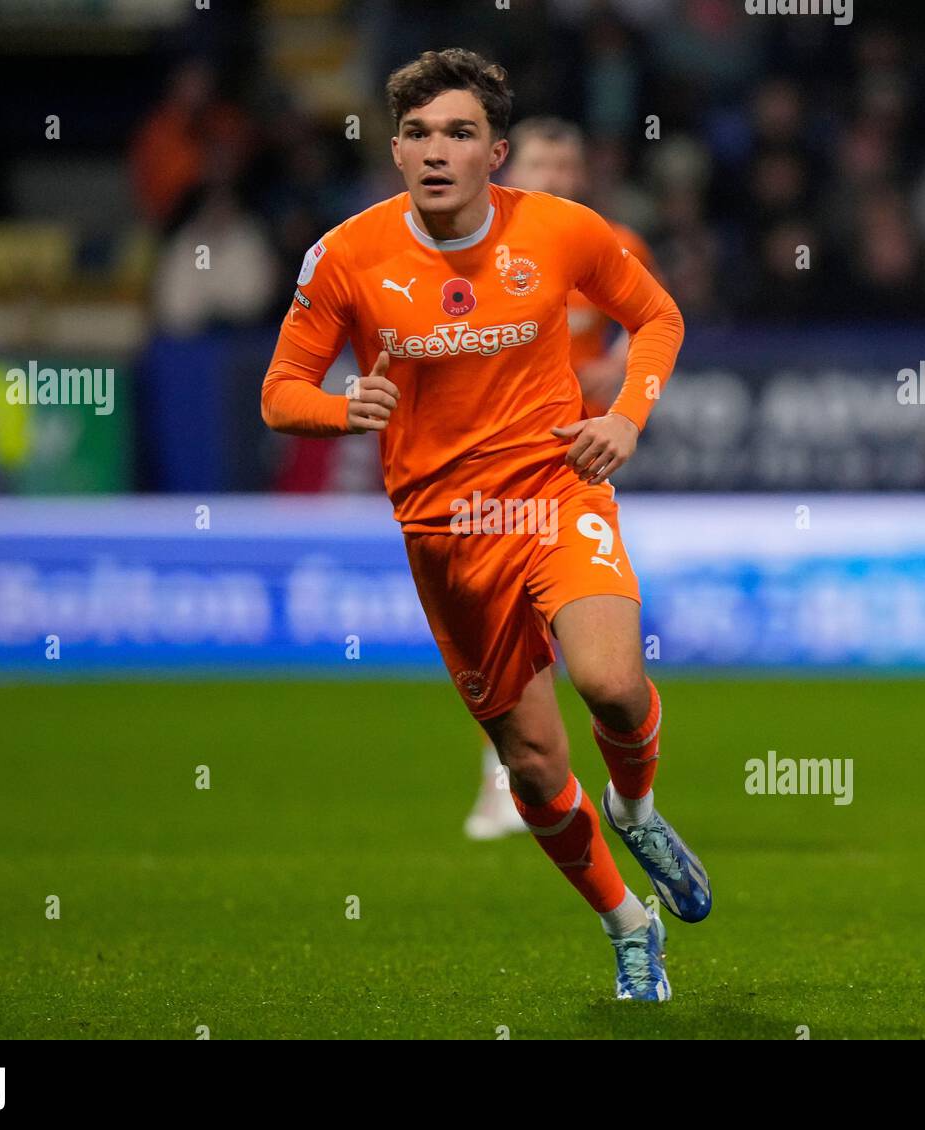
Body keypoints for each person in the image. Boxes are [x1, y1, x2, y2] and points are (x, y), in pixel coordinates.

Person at [261, 48, 709, 1001]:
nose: (436, 151)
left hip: (555, 492)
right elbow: (279, 392)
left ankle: (637, 809)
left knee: (613, 683)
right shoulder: (346, 256)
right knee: (534, 763)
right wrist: (346, 410)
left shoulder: (560, 231)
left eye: (458, 133)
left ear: (494, 152)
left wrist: (626, 417)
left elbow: (659, 317)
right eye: (418, 134)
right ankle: (628, 925)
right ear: (394, 149)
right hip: (446, 535)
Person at [464, 114, 660, 840]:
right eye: (545, 166)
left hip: (574, 466)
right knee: (506, 635)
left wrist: (619, 383)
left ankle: (619, 786)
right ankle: (505, 778)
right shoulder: (478, 248)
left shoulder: (609, 243)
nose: (559, 180)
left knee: (591, 645)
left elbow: (650, 324)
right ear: (510, 171)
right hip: (490, 474)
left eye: (569, 167)